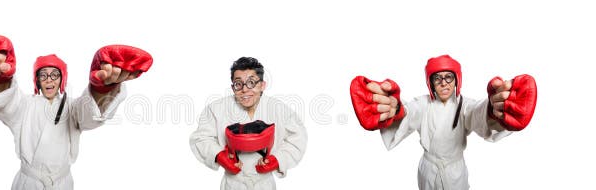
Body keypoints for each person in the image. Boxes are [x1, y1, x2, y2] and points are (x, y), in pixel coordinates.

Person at [0, 34, 153, 190]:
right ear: (37, 80)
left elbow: (89, 115)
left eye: (55, 75)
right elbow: (6, 104)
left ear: (62, 79)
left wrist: (103, 88)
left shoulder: (73, 107)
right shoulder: (24, 105)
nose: (49, 79)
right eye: (44, 75)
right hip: (28, 183)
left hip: (62, 183)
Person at [349, 54, 538, 189]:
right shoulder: (423, 104)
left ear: (457, 80)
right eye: (437, 78)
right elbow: (410, 112)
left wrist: (495, 110)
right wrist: (395, 110)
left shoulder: (465, 105)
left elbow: (477, 113)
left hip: (455, 172)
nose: (444, 83)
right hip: (428, 170)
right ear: (430, 83)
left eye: (449, 77)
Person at [190, 57, 307, 190]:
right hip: (233, 184)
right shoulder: (216, 109)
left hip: (265, 184)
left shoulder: (279, 109)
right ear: (232, 87)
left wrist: (278, 160)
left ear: (262, 85)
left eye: (251, 82)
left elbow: (298, 138)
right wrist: (219, 156)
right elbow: (201, 138)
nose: (245, 89)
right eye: (238, 84)